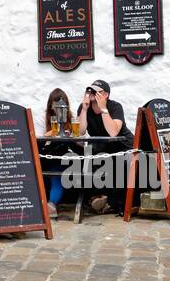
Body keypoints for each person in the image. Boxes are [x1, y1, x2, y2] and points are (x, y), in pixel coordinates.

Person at [75, 80, 131, 215]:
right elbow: (80, 132)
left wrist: (104, 109)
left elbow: (113, 132)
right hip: (103, 147)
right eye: (89, 91)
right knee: (85, 163)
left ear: (105, 95)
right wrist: (84, 109)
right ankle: (100, 199)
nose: (90, 94)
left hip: (124, 146)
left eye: (95, 91)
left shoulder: (114, 107)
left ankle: (112, 203)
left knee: (120, 165)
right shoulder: (84, 107)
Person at [40, 88, 73, 220]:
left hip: (62, 155)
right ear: (50, 105)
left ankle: (51, 204)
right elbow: (36, 140)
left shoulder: (71, 118)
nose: (59, 107)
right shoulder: (43, 118)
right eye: (56, 104)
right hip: (44, 154)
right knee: (53, 168)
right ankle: (49, 203)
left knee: (58, 170)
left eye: (62, 105)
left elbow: (80, 137)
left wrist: (70, 133)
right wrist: (49, 134)